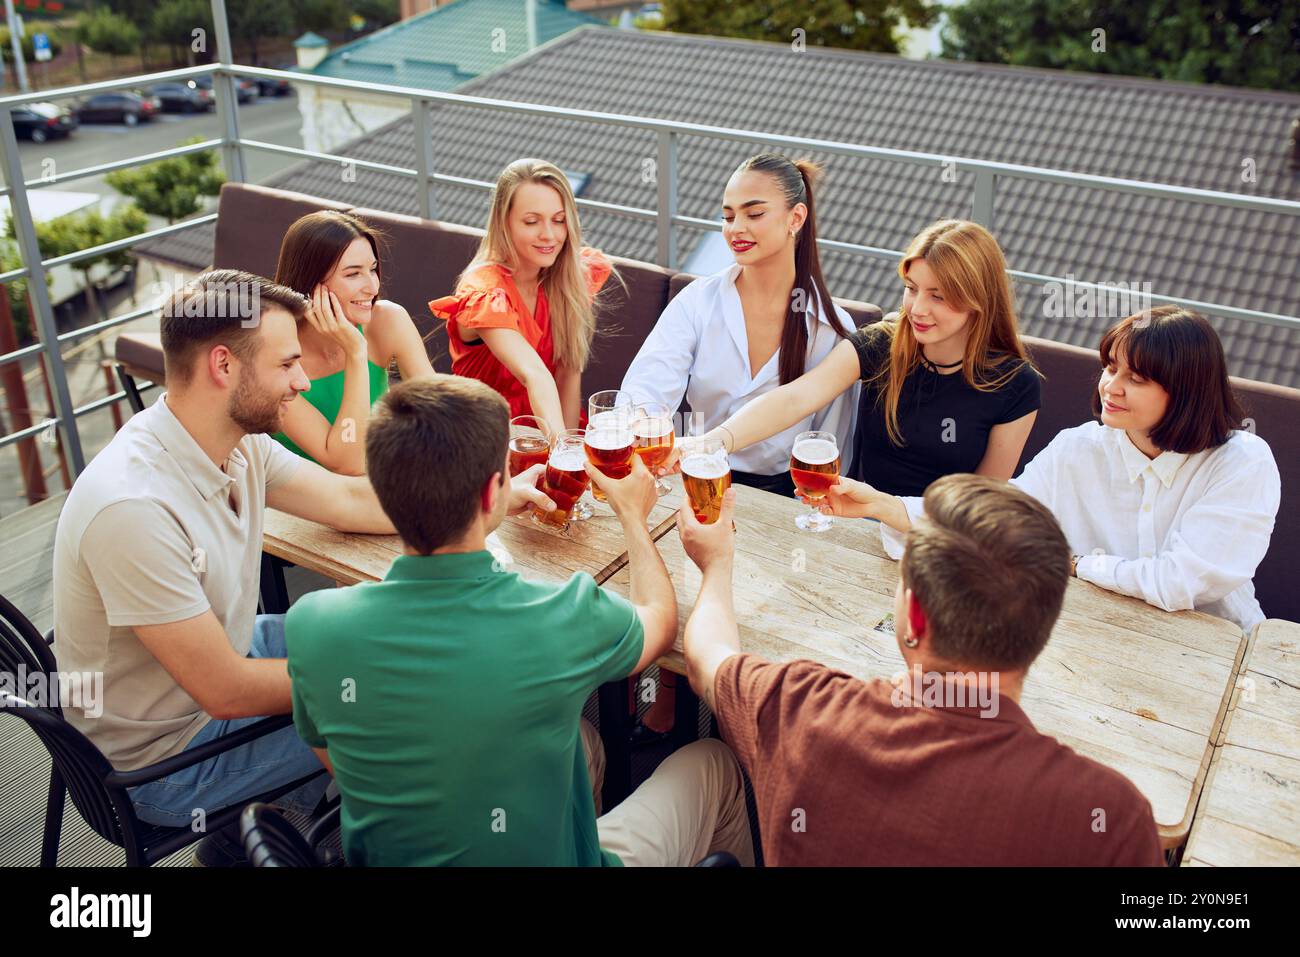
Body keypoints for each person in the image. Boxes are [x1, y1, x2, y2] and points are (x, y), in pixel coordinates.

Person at [50, 270, 546, 866]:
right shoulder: (132, 507)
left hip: (211, 667)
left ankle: (267, 831)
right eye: (287, 364)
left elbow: (349, 500)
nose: (304, 380)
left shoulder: (234, 441)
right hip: (163, 761)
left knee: (345, 622)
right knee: (399, 702)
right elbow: (227, 690)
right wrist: (388, 672)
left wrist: (484, 502)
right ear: (223, 366)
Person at [284, 375, 754, 866]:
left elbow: (344, 762)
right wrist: (633, 515)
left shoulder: (312, 624)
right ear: (493, 492)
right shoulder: (560, 615)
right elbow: (657, 623)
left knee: (583, 743)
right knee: (715, 763)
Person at [679, 474, 1165, 865]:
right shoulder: (1111, 816)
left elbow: (706, 657)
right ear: (1044, 625)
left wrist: (716, 563)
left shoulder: (798, 705)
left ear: (913, 615)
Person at [829, 307, 1281, 632]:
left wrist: (1079, 565)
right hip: (1097, 635)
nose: (1112, 387)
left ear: (1186, 391)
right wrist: (887, 507)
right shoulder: (1078, 448)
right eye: (1109, 368)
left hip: (1218, 653)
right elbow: (998, 516)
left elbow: (1180, 582)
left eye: (1136, 379)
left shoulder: (1242, 462)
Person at [662, 219, 1040, 498]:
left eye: (937, 296)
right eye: (911, 290)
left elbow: (984, 500)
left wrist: (892, 514)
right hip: (857, 524)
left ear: (978, 299)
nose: (917, 309)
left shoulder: (1016, 386)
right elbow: (796, 398)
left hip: (941, 540)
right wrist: (712, 442)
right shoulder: (881, 346)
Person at [621, 152, 859, 497]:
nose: (736, 229)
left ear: (796, 217)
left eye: (755, 213)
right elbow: (646, 390)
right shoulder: (698, 301)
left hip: (783, 497)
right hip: (693, 478)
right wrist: (642, 426)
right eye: (727, 216)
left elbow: (830, 442)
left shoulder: (832, 329)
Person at [429, 158, 613, 436]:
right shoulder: (484, 292)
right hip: (488, 442)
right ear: (504, 223)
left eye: (559, 220)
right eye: (531, 221)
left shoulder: (570, 279)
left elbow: (568, 373)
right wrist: (562, 452)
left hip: (552, 435)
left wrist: (567, 462)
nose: (549, 235)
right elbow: (533, 373)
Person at [271, 210, 435, 474]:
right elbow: (348, 464)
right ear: (310, 285)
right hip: (304, 500)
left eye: (372, 269)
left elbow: (441, 413)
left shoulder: (388, 320)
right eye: (353, 274)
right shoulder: (273, 356)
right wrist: (356, 352)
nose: (372, 286)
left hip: (381, 482)